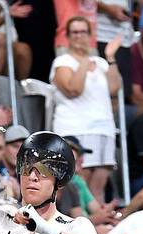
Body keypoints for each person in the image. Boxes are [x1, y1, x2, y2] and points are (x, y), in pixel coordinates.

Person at [50, 17, 121, 206]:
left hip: (103, 129)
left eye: (83, 32)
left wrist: (111, 58)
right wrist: (82, 61)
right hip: (76, 129)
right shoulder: (62, 61)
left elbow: (114, 88)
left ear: (90, 35)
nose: (79, 36)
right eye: (75, 32)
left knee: (98, 187)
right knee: (78, 184)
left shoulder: (99, 62)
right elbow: (74, 88)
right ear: (68, 36)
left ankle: (94, 230)